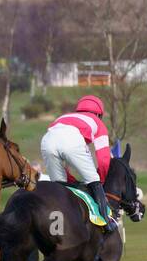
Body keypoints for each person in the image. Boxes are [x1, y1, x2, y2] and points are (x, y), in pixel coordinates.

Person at [40, 94, 118, 230]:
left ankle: (56, 228)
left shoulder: (64, 117)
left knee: (59, 186)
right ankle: (106, 223)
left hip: (47, 140)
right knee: (94, 179)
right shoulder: (98, 123)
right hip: (72, 140)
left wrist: (72, 181)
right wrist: (100, 182)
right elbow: (104, 159)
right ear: (99, 114)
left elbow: (63, 165)